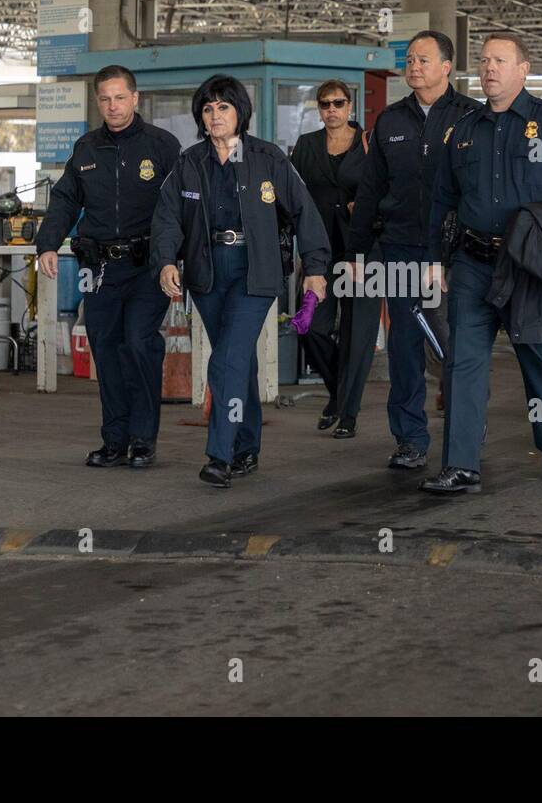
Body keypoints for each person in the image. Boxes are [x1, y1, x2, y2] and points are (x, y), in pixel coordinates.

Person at [420, 32, 542, 494]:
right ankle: (461, 464)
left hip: (528, 266)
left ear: (523, 69)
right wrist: (434, 260)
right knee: (465, 363)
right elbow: (442, 200)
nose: (489, 68)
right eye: (483, 61)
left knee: (540, 357)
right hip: (474, 263)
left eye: (500, 60)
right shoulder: (462, 129)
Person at [151, 75, 330, 487]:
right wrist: (165, 261)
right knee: (239, 360)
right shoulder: (189, 163)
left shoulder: (269, 159)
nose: (215, 115)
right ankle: (248, 445)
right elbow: (166, 219)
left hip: (257, 271)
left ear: (240, 113)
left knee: (228, 358)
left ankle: (221, 453)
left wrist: (316, 268)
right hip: (207, 272)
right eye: (208, 108)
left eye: (223, 107)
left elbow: (305, 212)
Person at [36, 64, 181, 469]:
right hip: (99, 269)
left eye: (120, 97)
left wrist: (178, 258)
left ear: (135, 99)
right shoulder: (86, 149)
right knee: (106, 349)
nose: (113, 106)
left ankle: (143, 439)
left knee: (138, 342)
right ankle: (115, 441)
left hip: (147, 266)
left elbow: (183, 205)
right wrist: (48, 243)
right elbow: (65, 200)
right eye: (105, 99)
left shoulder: (162, 145)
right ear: (98, 102)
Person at [347, 30, 480, 470]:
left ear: (447, 67)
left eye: (424, 60)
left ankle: (465, 425)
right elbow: (370, 190)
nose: (414, 66)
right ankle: (410, 438)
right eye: (410, 60)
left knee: (458, 340)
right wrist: (357, 251)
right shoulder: (390, 120)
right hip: (401, 250)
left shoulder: (472, 118)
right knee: (404, 345)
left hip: (457, 250)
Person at [289, 79, 380, 438]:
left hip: (364, 252)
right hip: (320, 251)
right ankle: (337, 393)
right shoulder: (307, 146)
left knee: (357, 333)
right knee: (308, 324)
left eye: (338, 103)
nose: (331, 110)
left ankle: (348, 414)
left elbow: (387, 188)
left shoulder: (371, 144)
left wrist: (369, 209)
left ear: (350, 107)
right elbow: (293, 194)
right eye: (325, 104)